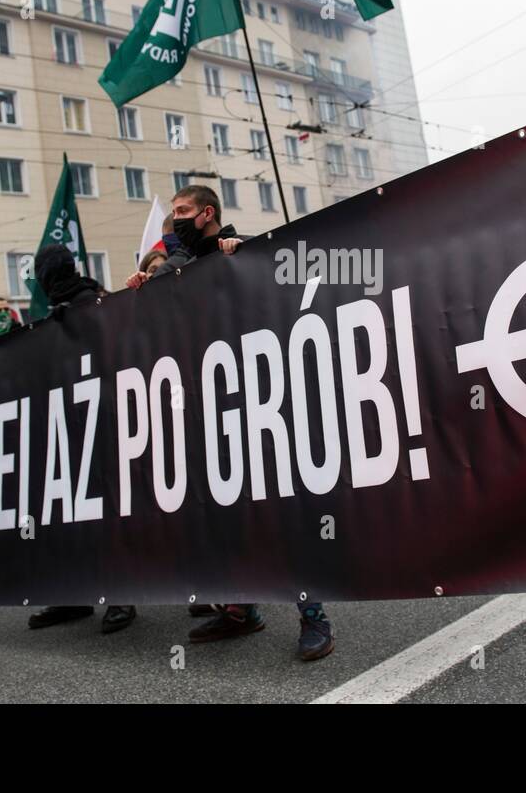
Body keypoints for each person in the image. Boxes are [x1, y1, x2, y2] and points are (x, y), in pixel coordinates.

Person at [130, 185, 334, 661]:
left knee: (280, 515)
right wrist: (144, 287)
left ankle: (314, 616)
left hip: (257, 408)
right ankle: (241, 611)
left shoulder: (243, 251)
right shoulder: (180, 269)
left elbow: (276, 295)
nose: (176, 220)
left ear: (207, 214)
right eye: (172, 213)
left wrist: (242, 253)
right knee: (223, 517)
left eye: (182, 212)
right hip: (207, 411)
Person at [26, 244, 138, 635]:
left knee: (105, 512)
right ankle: (74, 594)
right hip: (67, 425)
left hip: (101, 421)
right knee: (66, 515)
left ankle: (120, 594)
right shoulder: (54, 312)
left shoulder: (91, 302)